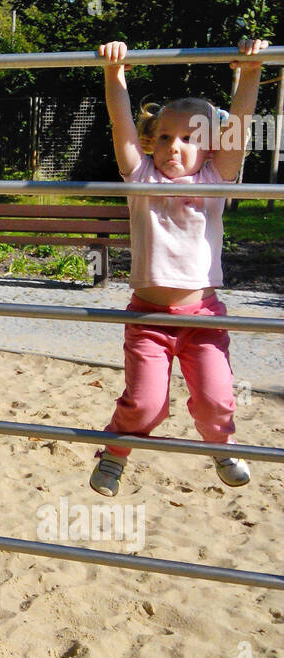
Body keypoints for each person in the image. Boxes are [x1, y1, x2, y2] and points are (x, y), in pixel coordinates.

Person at [89, 36, 269, 497]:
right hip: (147, 318)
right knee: (146, 405)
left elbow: (242, 125)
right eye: (165, 137)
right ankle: (117, 449)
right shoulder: (141, 178)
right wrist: (115, 74)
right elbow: (120, 122)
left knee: (215, 400)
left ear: (211, 148)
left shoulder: (216, 180)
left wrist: (249, 73)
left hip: (203, 317)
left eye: (190, 139)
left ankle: (222, 446)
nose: (174, 148)